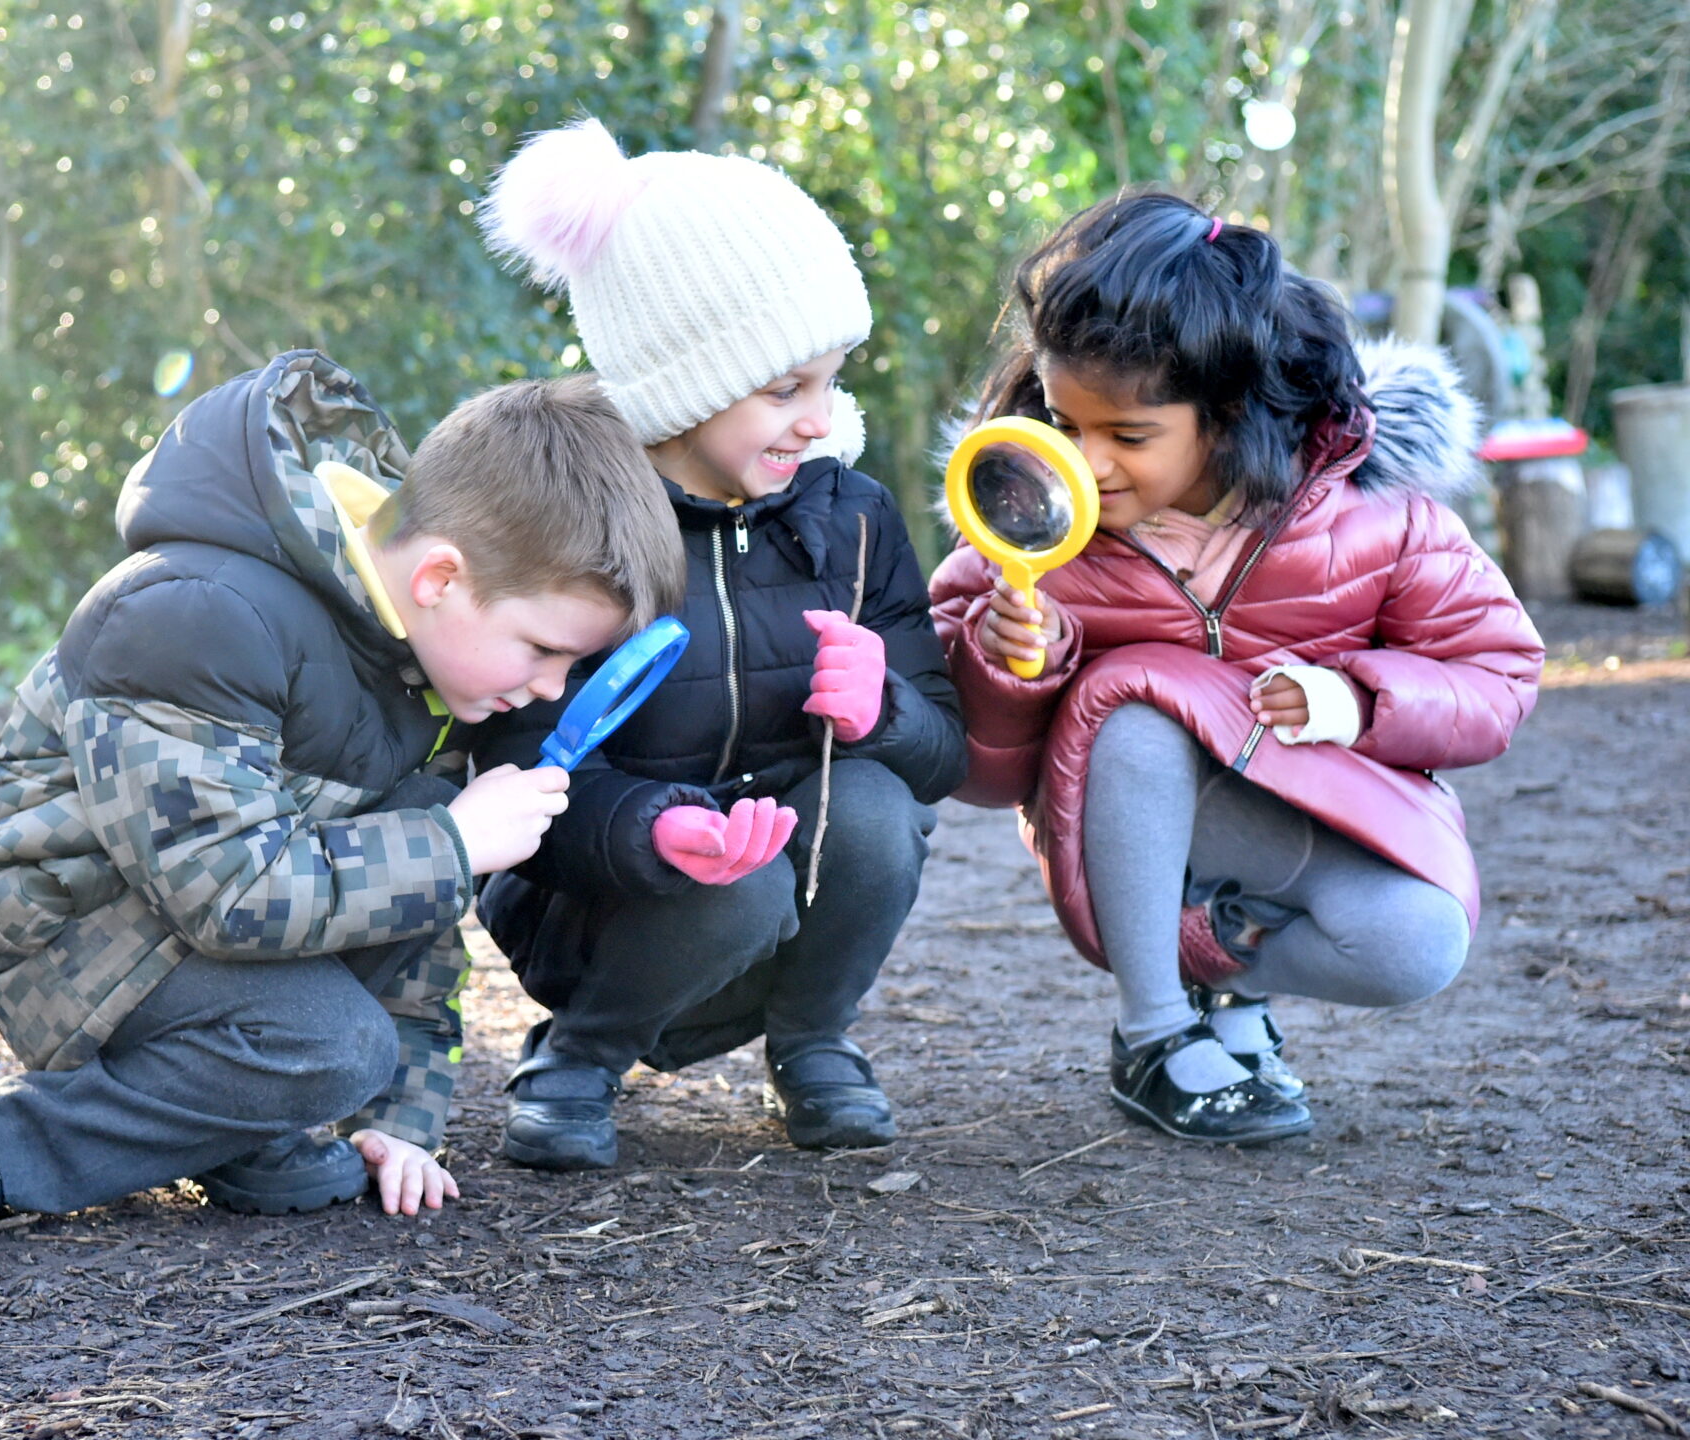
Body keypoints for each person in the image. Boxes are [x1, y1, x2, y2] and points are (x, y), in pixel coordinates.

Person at [0, 353, 686, 1251]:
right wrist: (449, 844)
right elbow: (227, 891)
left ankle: (241, 1126)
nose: (550, 689)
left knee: (382, 937)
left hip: (193, 932)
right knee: (334, 1042)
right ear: (440, 579)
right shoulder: (197, 612)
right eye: (543, 650)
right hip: (59, 923)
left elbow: (417, 927)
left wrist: (398, 1121)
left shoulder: (429, 669)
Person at [930, 194, 1543, 1144]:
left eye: (1128, 437)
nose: (1085, 464)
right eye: (1064, 422)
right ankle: (1153, 1034)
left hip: (1305, 803)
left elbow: (1497, 674)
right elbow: (973, 764)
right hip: (1121, 818)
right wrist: (1013, 662)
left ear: (1227, 414)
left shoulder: (1375, 518)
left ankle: (1225, 977)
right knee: (1138, 711)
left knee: (1417, 943)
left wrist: (1356, 699)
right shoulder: (1033, 535)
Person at [467, 118, 968, 1170]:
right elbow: (517, 773)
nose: (818, 419)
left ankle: (814, 1039)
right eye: (784, 389)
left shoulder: (853, 516)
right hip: (602, 904)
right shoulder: (571, 528)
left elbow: (941, 759)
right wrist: (652, 829)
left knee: (875, 807)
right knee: (740, 874)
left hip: (785, 888)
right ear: (682, 379)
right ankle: (579, 1055)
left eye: (830, 380)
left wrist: (886, 710)